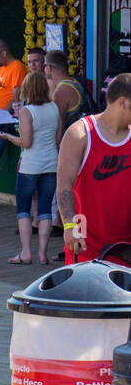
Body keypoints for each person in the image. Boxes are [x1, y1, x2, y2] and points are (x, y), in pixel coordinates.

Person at [58, 73, 131, 264]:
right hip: (85, 246)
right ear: (122, 102)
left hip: (126, 249)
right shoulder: (80, 133)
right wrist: (69, 225)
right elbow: (64, 185)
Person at [0, 71, 61, 265]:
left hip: (30, 166)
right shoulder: (54, 108)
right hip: (51, 163)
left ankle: (26, 253)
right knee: (45, 210)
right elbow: (58, 139)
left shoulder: (27, 111)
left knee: (24, 210)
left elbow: (26, 142)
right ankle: (43, 253)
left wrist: (7, 136)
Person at [0, 38, 26, 165]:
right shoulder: (0, 67)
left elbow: (17, 93)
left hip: (3, 116)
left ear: (4, 53)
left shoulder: (17, 67)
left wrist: (4, 113)